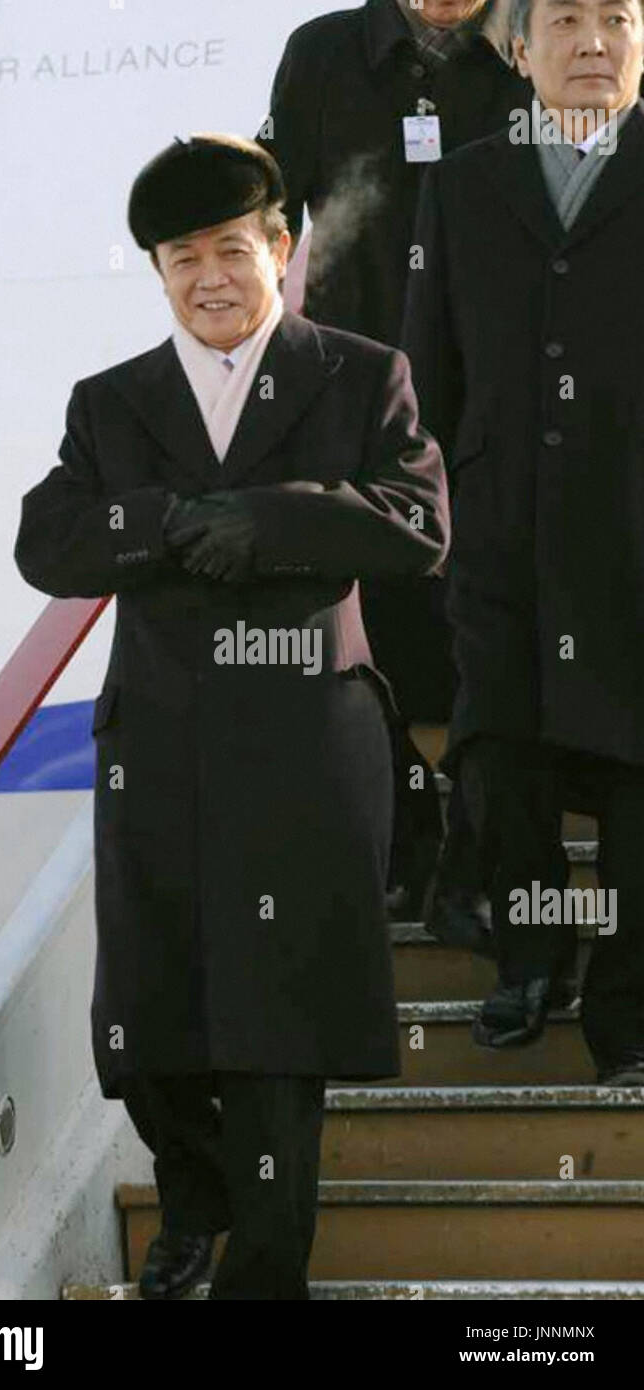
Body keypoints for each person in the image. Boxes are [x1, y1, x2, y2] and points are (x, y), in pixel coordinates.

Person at [14, 134, 449, 1299]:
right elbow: (46, 543)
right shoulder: (109, 405)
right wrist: (157, 522)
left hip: (308, 746)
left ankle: (264, 1272)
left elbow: (418, 520)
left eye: (231, 249)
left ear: (281, 246)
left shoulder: (360, 374)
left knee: (277, 1030)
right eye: (180, 257)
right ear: (156, 271)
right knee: (144, 1029)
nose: (210, 276)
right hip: (155, 753)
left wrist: (275, 517)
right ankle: (196, 1197)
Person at [401, 0, 644, 1077]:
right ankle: (526, 959)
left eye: (617, 19)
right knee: (496, 756)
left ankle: (627, 1011)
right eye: (564, 20)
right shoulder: (459, 182)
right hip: (498, 523)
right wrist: (434, 493)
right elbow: (426, 360)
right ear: (517, 50)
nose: (591, 41)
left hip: (634, 530)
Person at [256, 0, 532, 934]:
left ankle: (477, 862)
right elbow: (267, 215)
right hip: (359, 397)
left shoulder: (540, 42)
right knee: (373, 640)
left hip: (507, 400)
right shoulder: (323, 53)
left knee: (495, 634)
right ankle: (408, 832)